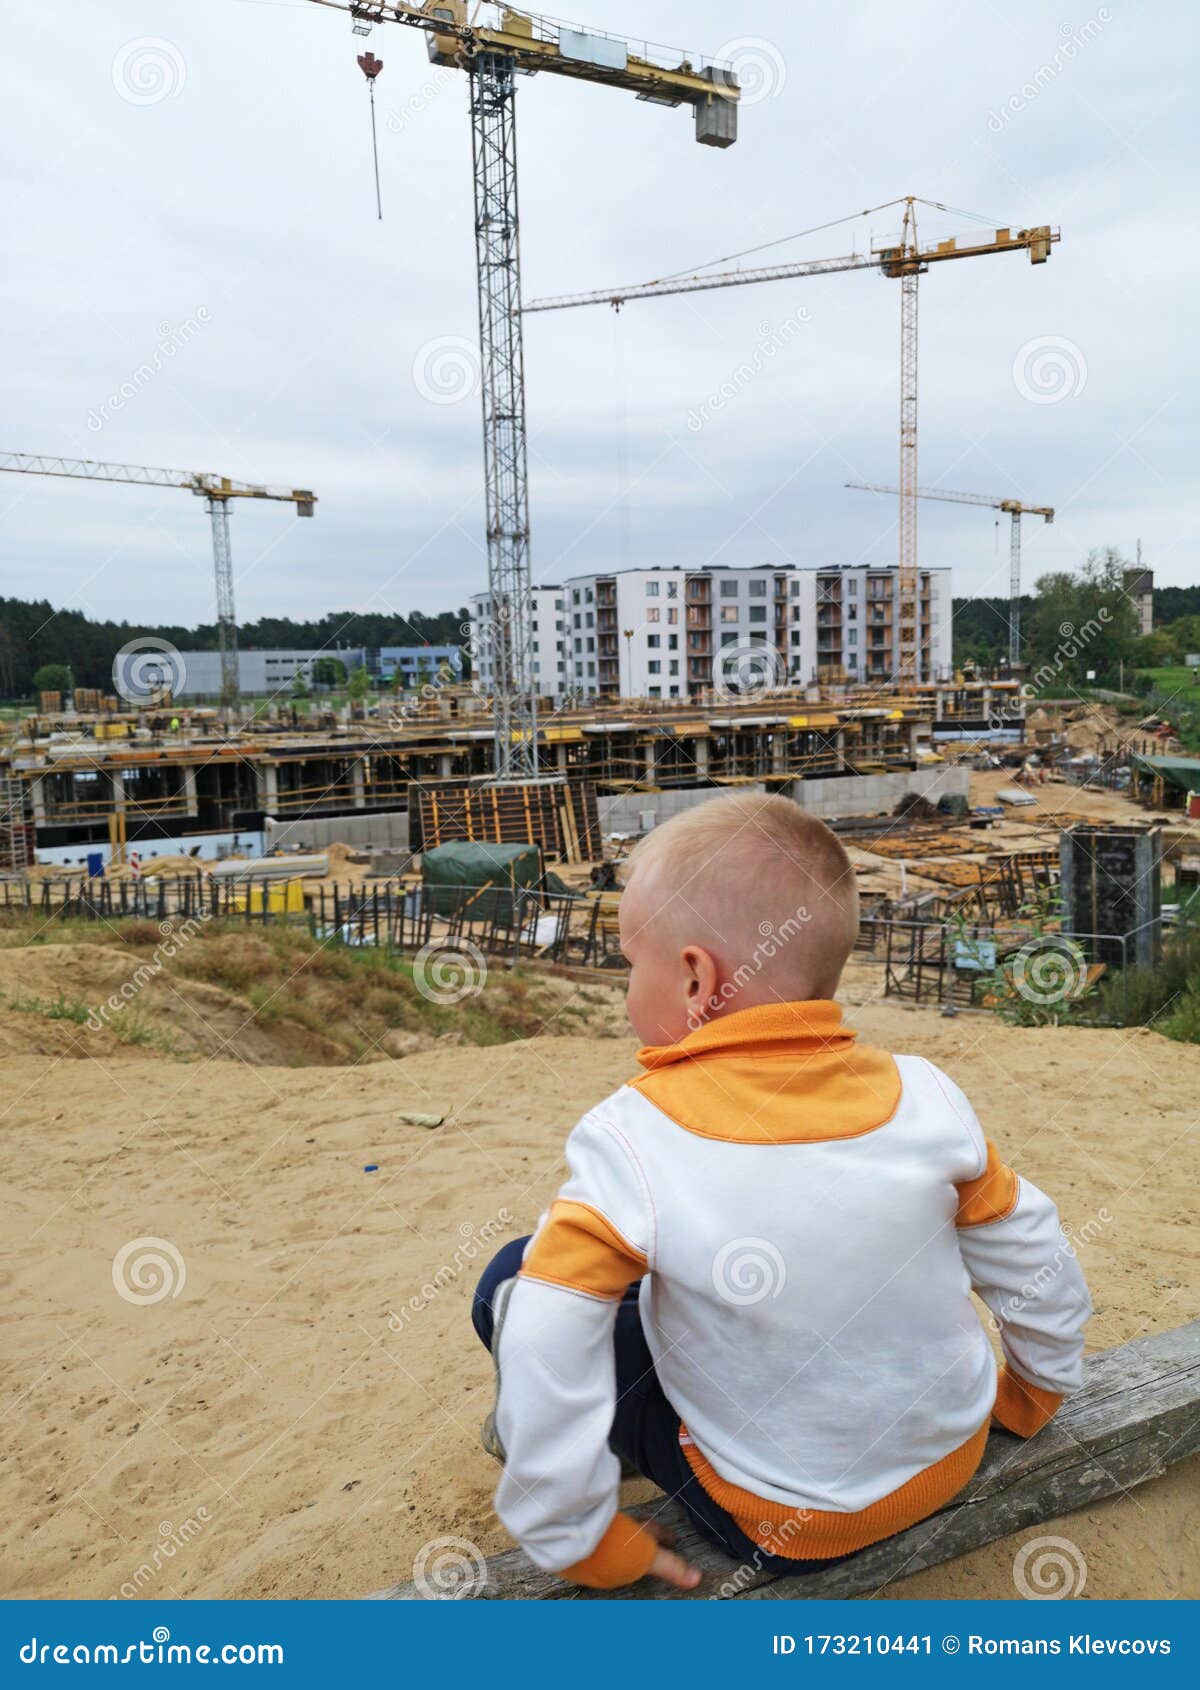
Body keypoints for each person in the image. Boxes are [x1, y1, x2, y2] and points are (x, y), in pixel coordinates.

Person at [472, 793, 1090, 1591]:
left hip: (777, 1519)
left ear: (695, 979)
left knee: (513, 1279)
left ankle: (597, 1461)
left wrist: (574, 1536)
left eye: (631, 966)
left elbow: (546, 1337)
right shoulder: (926, 1095)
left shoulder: (631, 1138)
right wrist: (1038, 1386)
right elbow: (1034, 1251)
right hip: (949, 1459)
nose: (627, 991)